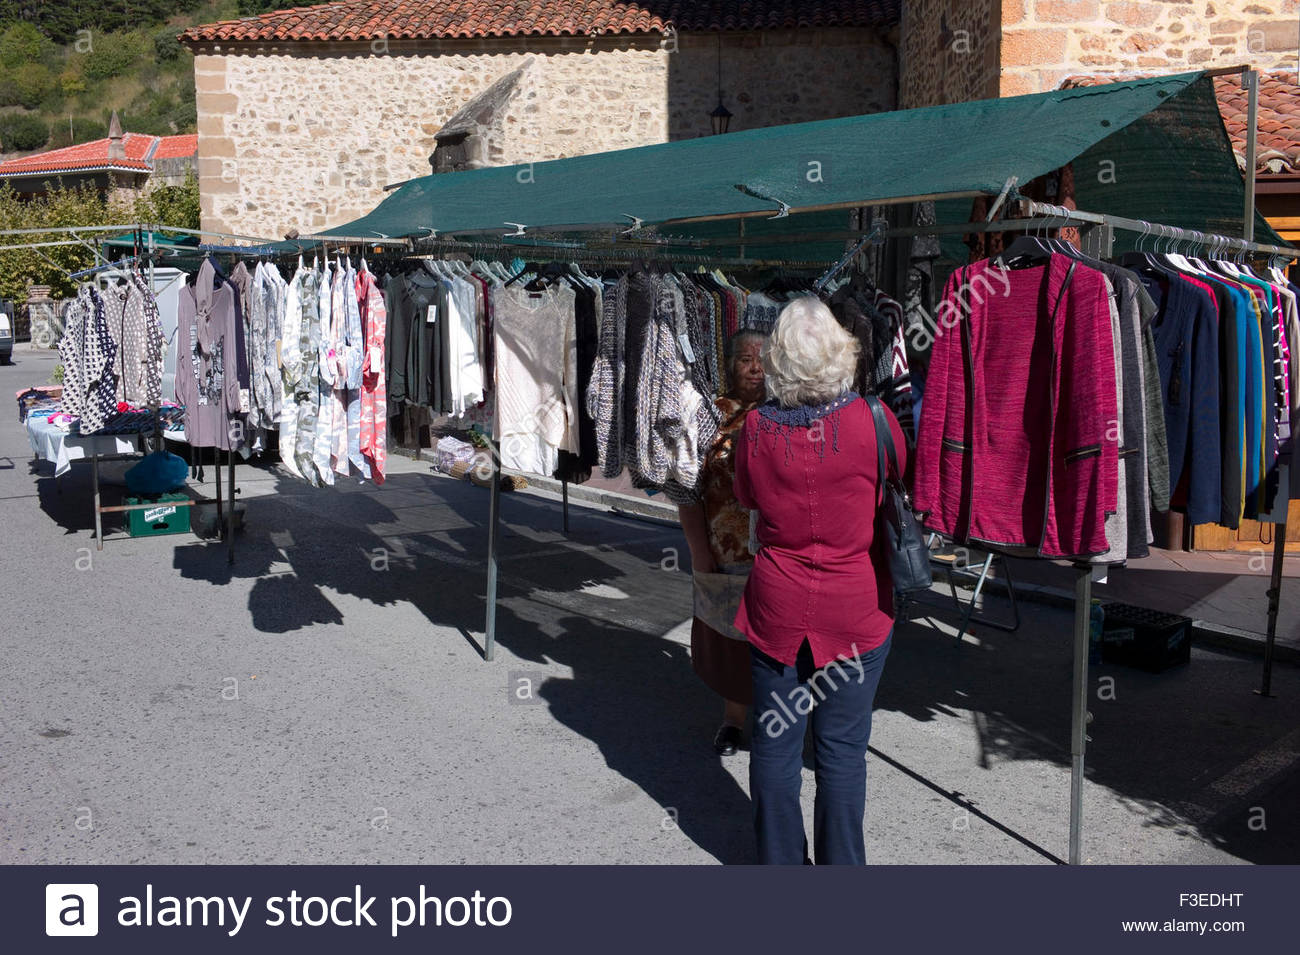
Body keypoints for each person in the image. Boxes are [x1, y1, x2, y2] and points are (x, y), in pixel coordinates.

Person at [733, 296, 904, 865]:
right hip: (855, 610)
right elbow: (895, 480)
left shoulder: (754, 428)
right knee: (841, 753)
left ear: (778, 359)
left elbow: (747, 499)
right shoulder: (874, 420)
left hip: (777, 607)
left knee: (775, 749)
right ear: (841, 354)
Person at [678, 330, 768, 756]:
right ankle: (733, 721)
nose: (755, 369)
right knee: (731, 641)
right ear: (729, 363)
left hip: (776, 552)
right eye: (745, 360)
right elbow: (687, 489)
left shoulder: (786, 411)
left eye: (762, 359)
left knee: (774, 641)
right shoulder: (709, 415)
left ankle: (776, 720)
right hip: (726, 551)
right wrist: (699, 551)